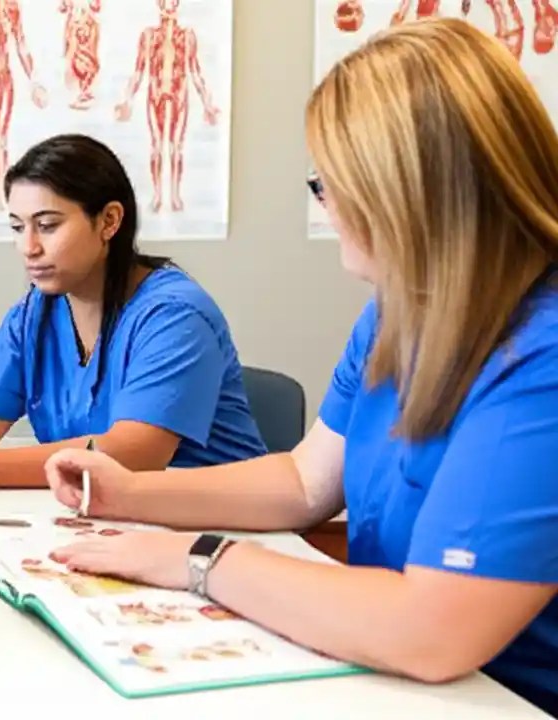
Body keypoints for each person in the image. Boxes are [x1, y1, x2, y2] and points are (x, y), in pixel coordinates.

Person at [40, 19, 558, 716]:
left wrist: (198, 559)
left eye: (330, 183)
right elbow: (305, 480)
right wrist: (128, 494)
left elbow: (433, 630)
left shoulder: (541, 353)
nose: (326, 204)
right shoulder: (400, 310)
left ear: (407, 193)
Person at [0, 133, 266, 492]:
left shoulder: (175, 317)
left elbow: (135, 453)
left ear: (109, 221)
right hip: (109, 517)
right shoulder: (34, 315)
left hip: (220, 527)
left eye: (47, 226)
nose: (28, 247)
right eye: (18, 228)